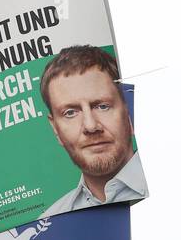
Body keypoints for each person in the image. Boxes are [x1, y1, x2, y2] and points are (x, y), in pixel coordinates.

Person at [38, 45, 147, 218]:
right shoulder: (51, 218)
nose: (90, 126)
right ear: (55, 129)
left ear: (128, 112)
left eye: (102, 106)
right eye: (70, 113)